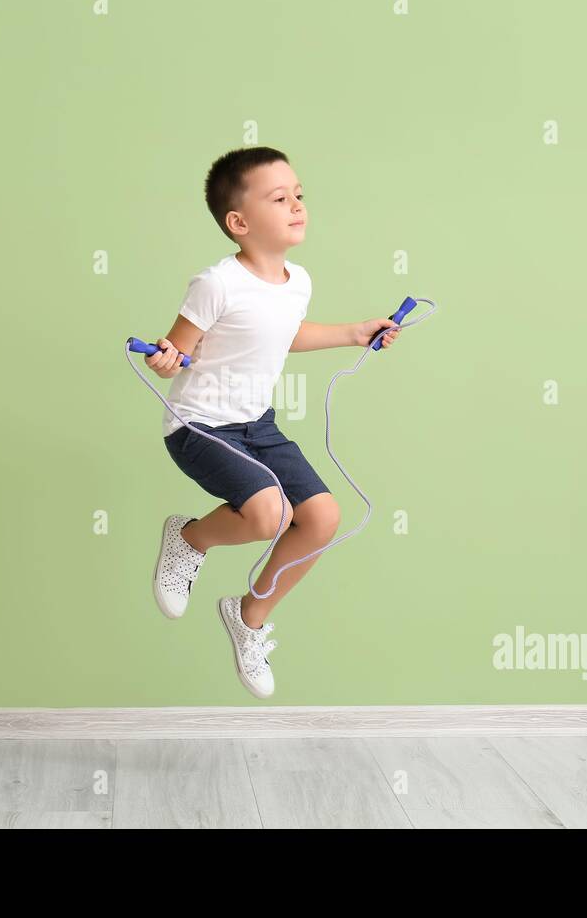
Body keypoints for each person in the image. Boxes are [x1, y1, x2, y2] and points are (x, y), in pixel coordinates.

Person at [146, 146, 401, 698]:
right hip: (199, 427)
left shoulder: (297, 280)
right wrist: (164, 356)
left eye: (299, 195)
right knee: (269, 515)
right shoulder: (216, 283)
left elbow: (283, 334)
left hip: (257, 426)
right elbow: (176, 351)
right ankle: (189, 540)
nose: (297, 206)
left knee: (323, 518)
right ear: (239, 223)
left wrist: (356, 331)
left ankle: (250, 616)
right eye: (279, 198)